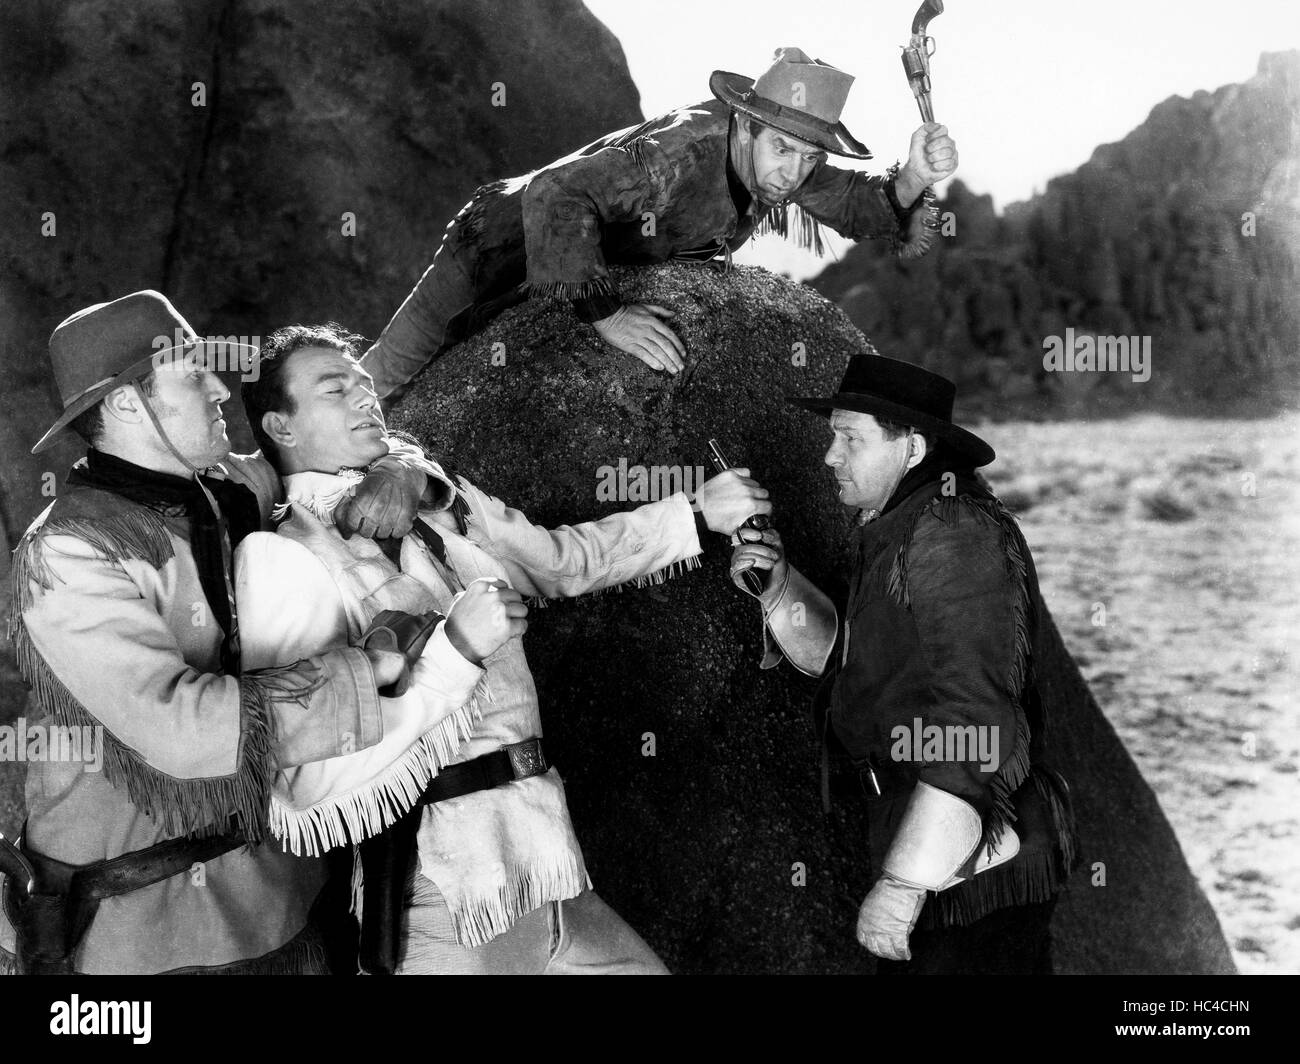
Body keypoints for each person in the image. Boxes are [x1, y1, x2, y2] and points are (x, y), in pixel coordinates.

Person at [234, 322, 772, 974]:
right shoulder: (281, 557)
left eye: (363, 382)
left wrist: (693, 513)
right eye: (333, 389)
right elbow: (303, 774)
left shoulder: (436, 503)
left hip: (543, 858)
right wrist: (456, 649)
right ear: (282, 428)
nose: (364, 397)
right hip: (443, 892)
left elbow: (563, 561)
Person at [0, 290, 440, 974]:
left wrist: (401, 469)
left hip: (286, 901)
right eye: (191, 372)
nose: (219, 387)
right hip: (143, 936)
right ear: (123, 405)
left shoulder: (229, 487)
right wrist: (365, 672)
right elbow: (182, 728)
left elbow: (337, 430)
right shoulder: (68, 554)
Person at [730, 354, 1079, 974]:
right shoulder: (902, 522)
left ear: (913, 449)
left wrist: (904, 884)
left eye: (850, 439)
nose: (830, 456)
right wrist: (779, 586)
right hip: (928, 832)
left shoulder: (952, 527)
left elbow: (977, 713)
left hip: (976, 853)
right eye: (833, 435)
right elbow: (851, 663)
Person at [363, 46, 958, 402]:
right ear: (746, 126)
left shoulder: (785, 161)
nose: (793, 173)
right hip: (491, 250)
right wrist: (609, 316)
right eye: (784, 150)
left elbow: (856, 204)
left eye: (809, 157)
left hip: (560, 279)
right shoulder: (677, 155)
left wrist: (913, 177)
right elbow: (556, 193)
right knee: (381, 386)